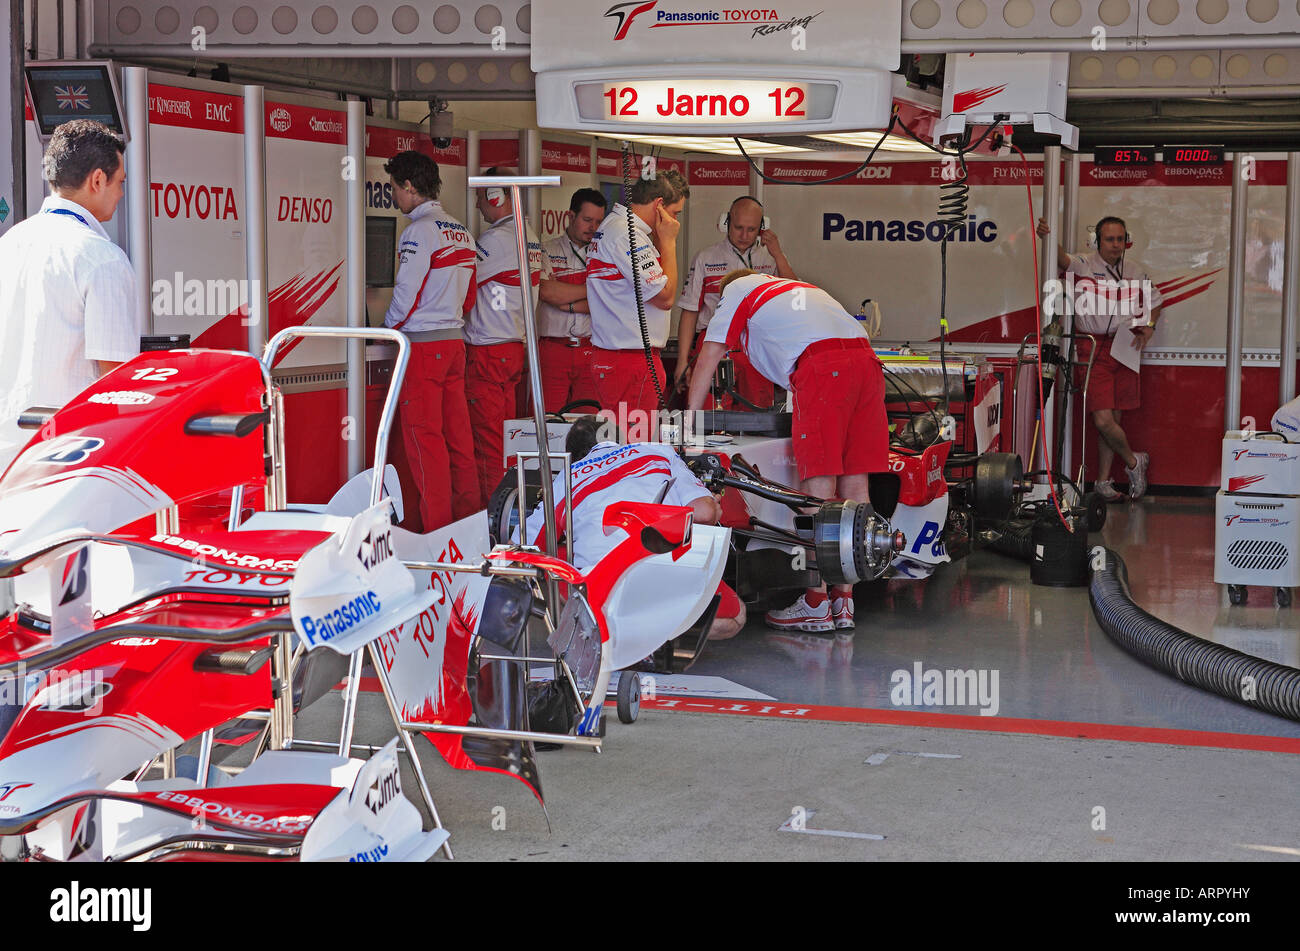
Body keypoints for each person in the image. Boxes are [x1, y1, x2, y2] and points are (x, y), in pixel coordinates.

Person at [687, 270, 887, 633]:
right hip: (867, 364)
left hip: (825, 370)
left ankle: (814, 603)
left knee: (818, 494)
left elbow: (709, 356)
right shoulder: (797, 290)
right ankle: (844, 602)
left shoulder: (737, 290)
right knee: (856, 489)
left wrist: (688, 424)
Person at [521, 415, 746, 640]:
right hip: (666, 582)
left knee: (556, 557)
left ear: (572, 456)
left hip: (602, 598)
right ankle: (656, 631)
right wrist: (712, 503)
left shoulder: (565, 480)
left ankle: (607, 633)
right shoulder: (657, 452)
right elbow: (705, 513)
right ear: (622, 441)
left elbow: (522, 547)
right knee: (736, 616)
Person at [0, 119, 140, 471]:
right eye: (120, 182)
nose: (122, 194)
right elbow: (115, 379)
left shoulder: (10, 243)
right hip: (69, 456)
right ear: (97, 180)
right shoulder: (102, 257)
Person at [382, 149, 480, 530]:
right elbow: (469, 297)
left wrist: (387, 331)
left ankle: (437, 536)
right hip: (455, 345)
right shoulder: (462, 231)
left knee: (426, 443)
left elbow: (405, 295)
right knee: (459, 439)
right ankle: (469, 529)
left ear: (409, 187)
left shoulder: (418, 232)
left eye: (394, 189)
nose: (394, 196)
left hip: (422, 347)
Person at [1036, 216, 1162, 501]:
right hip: (1093, 347)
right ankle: (1134, 462)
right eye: (1109, 239)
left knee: (1114, 416)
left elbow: (1156, 303)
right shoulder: (1083, 264)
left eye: (1120, 239)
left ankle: (1104, 482)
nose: (1116, 245)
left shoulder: (1135, 270)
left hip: (1125, 345)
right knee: (1103, 418)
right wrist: (1048, 236)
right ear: (1097, 241)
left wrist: (1149, 329)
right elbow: (1060, 257)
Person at [586, 168, 690, 430]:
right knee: (635, 447)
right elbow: (665, 297)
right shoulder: (627, 235)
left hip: (621, 357)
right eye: (675, 213)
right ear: (659, 206)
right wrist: (668, 243)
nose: (675, 221)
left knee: (623, 443)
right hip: (629, 361)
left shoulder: (618, 229)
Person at [465, 168, 544, 503]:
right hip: (512, 349)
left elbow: (460, 284)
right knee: (506, 439)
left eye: (482, 197)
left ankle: (491, 518)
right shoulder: (529, 234)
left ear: (496, 196)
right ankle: (512, 511)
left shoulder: (496, 240)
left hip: (487, 353)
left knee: (488, 443)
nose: (479, 205)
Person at [673, 195, 797, 407]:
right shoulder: (706, 257)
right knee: (710, 415)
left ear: (762, 227)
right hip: (715, 342)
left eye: (751, 229)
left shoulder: (770, 258)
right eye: (739, 227)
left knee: (758, 417)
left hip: (756, 345)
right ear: (726, 222)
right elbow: (690, 311)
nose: (744, 235)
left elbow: (794, 296)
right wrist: (682, 361)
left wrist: (778, 254)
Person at [535, 188, 607, 412]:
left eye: (598, 221)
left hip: (591, 349)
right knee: (549, 422)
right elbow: (546, 292)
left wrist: (567, 301)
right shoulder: (546, 249)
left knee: (586, 425)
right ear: (570, 216)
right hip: (553, 349)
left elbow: (607, 301)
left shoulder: (606, 254)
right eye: (587, 220)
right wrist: (594, 289)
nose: (593, 227)